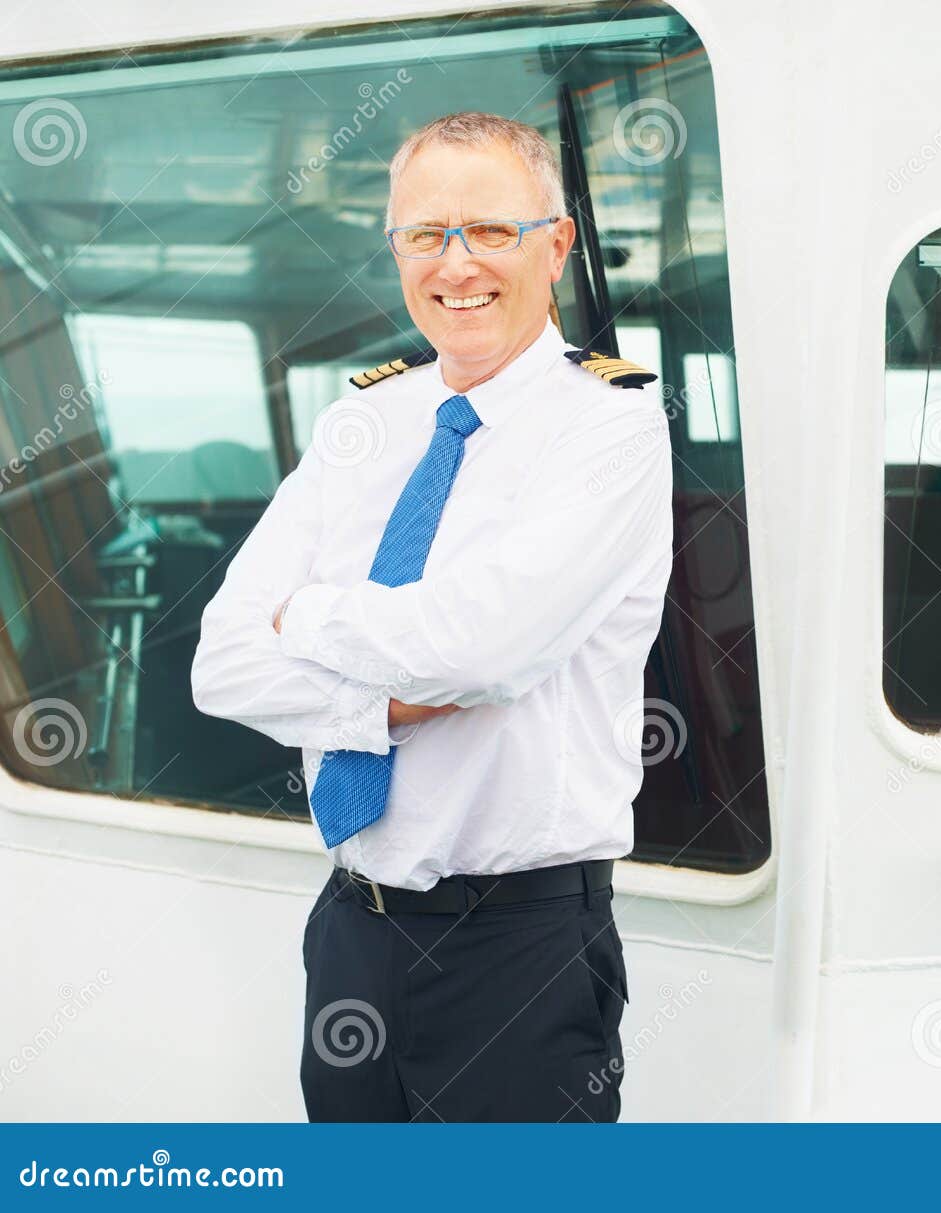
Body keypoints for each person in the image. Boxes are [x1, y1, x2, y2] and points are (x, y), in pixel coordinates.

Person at [190, 111, 673, 1122]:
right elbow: (223, 664)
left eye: (491, 231)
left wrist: (311, 612)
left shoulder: (610, 429)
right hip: (353, 930)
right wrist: (381, 710)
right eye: (426, 234)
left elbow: (480, 650)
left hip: (519, 947)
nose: (456, 265)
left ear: (555, 245)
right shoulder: (362, 419)